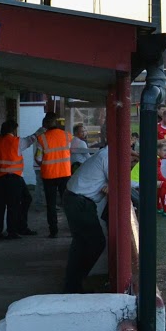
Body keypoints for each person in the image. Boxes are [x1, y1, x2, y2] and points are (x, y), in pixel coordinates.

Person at [62, 123, 112, 293]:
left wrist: (108, 183)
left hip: (76, 199)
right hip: (79, 202)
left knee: (81, 244)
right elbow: (121, 183)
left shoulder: (106, 153)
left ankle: (73, 285)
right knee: (95, 243)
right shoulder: (108, 156)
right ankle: (75, 284)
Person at [0, 119, 39, 239]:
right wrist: (40, 131)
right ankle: (13, 231)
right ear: (13, 130)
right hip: (14, 178)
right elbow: (30, 140)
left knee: (0, 205)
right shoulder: (16, 142)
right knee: (15, 204)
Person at [34, 115, 72, 238]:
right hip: (65, 173)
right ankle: (72, 228)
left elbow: (38, 158)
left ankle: (53, 231)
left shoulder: (41, 139)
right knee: (67, 203)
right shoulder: (67, 136)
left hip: (49, 175)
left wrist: (44, 164)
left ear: (45, 125)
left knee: (51, 204)